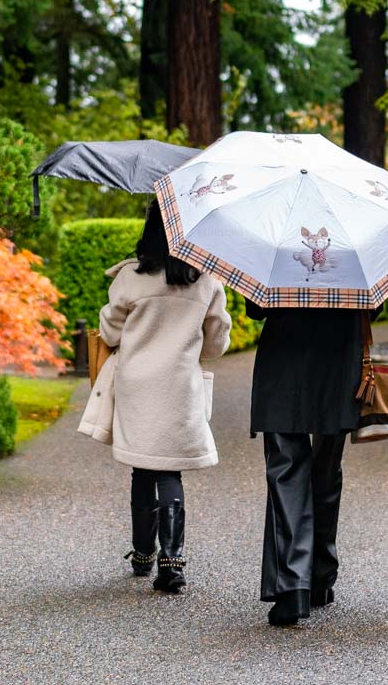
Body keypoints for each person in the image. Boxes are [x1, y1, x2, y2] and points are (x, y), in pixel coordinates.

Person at [81, 201, 231, 594]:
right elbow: (215, 344)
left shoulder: (130, 278)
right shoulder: (207, 282)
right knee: (170, 470)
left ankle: (143, 553)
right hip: (179, 386)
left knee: (141, 466)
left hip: (137, 385)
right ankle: (173, 562)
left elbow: (110, 334)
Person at [244, 298, 368, 627]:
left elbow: (256, 307)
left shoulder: (277, 244)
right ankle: (321, 575)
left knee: (286, 469)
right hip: (339, 354)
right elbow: (374, 306)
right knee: (326, 466)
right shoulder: (353, 246)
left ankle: (292, 584)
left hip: (284, 351)